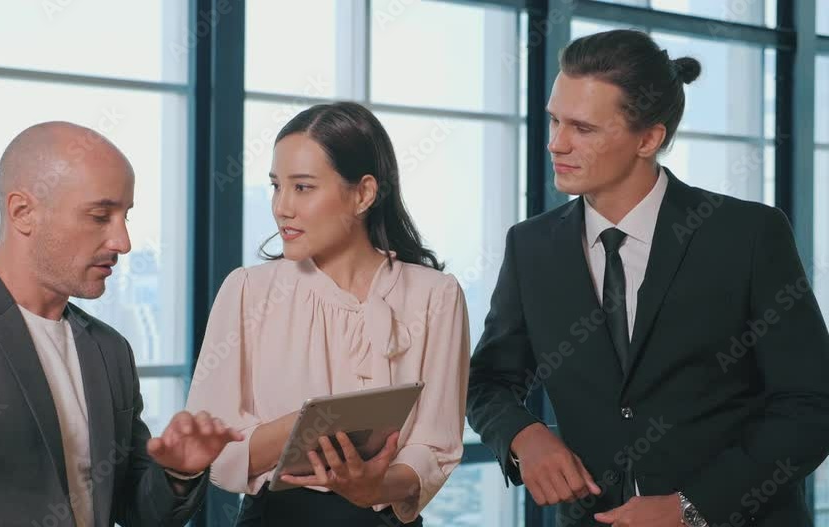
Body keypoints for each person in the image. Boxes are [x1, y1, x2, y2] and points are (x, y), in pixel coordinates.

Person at [467, 29, 829, 527]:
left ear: (649, 138)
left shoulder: (746, 234)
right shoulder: (530, 246)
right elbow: (488, 381)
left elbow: (811, 403)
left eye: (583, 128)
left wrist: (693, 507)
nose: (556, 143)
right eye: (554, 120)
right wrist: (524, 437)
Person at [0, 122, 242, 526]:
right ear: (23, 212)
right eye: (101, 216)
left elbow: (139, 510)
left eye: (125, 217)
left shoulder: (110, 349)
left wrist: (177, 472)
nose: (123, 241)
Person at [185, 101, 470, 526]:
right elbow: (212, 454)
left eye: (302, 187)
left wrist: (375, 486)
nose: (282, 207)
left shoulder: (436, 295)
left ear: (364, 194)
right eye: (275, 186)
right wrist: (308, 425)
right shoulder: (247, 290)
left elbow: (435, 446)